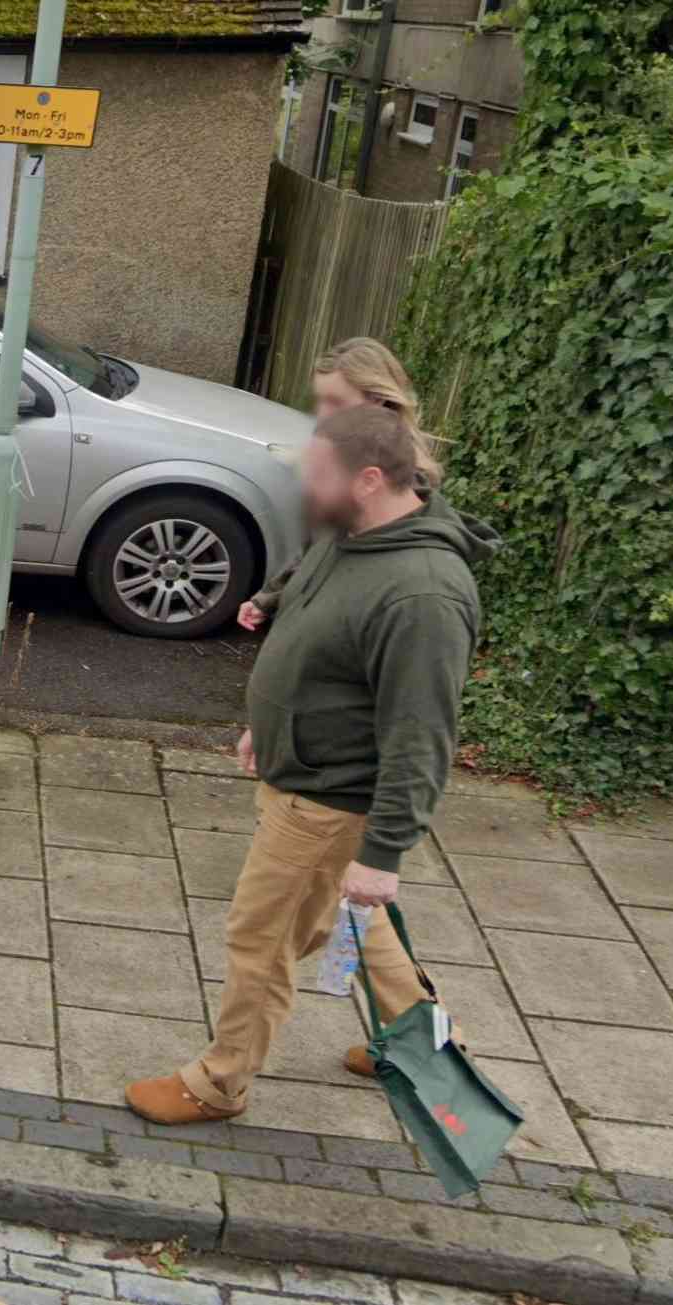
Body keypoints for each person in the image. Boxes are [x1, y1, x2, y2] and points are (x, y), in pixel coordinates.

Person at [125, 404, 497, 1124]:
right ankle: (422, 1044)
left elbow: (422, 736)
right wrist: (270, 712)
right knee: (356, 928)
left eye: (318, 475)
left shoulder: (424, 595)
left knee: (261, 938)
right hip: (297, 772)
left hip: (329, 801)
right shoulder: (354, 532)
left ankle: (219, 1082)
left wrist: (382, 853)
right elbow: (313, 601)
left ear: (367, 478)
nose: (304, 488)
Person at [238, 338, 445, 632]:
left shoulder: (399, 484)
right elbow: (317, 547)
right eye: (321, 401)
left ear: (376, 400)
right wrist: (267, 598)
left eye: (335, 402)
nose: (322, 415)